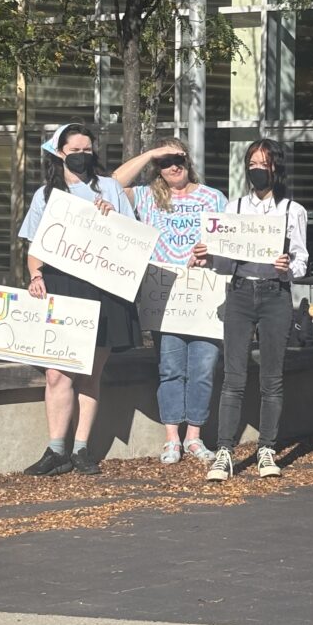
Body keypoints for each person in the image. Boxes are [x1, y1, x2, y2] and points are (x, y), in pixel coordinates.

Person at [19, 122, 142, 476]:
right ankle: (56, 450)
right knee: (57, 373)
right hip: (62, 287)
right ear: (60, 153)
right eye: (75, 150)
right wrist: (36, 276)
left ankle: (81, 449)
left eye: (88, 149)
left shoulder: (110, 188)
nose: (83, 155)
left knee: (90, 372)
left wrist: (113, 218)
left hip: (104, 287)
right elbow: (34, 247)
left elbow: (131, 237)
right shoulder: (45, 196)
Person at [192, 139, 309, 481]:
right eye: (252, 163)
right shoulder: (235, 207)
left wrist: (288, 266)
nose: (257, 169)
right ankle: (225, 450)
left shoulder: (293, 210)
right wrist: (208, 257)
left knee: (272, 378)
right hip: (241, 293)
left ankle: (267, 448)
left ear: (277, 167)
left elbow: (302, 259)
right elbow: (225, 257)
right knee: (233, 377)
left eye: (264, 163)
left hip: (275, 294)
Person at [113, 138, 228, 465]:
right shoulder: (146, 197)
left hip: (205, 295)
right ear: (156, 167)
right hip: (164, 298)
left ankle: (194, 437)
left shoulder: (213, 197)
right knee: (170, 368)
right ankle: (172, 438)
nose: (173, 166)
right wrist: (151, 152)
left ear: (188, 161)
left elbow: (229, 240)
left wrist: (212, 253)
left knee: (204, 368)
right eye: (165, 162)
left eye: (178, 159)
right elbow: (112, 185)